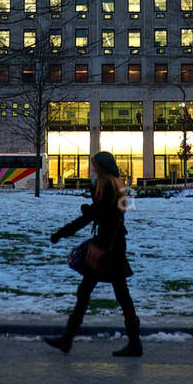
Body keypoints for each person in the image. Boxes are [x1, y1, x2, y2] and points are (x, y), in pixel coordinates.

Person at [44, 150, 142, 357]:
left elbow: (100, 216)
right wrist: (89, 211)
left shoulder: (105, 187)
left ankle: (68, 339)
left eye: (94, 165)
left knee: (93, 294)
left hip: (105, 249)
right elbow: (109, 215)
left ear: (101, 168)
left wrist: (62, 233)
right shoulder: (117, 185)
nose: (92, 169)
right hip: (113, 247)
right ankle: (133, 342)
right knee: (114, 295)